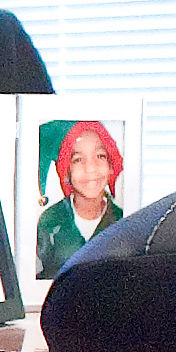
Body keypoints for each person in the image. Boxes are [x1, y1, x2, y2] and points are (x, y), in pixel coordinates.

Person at [36, 118, 125, 277]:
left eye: (100, 156)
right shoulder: (49, 222)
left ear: (111, 166)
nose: (90, 168)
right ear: (66, 171)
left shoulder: (124, 222)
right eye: (78, 159)